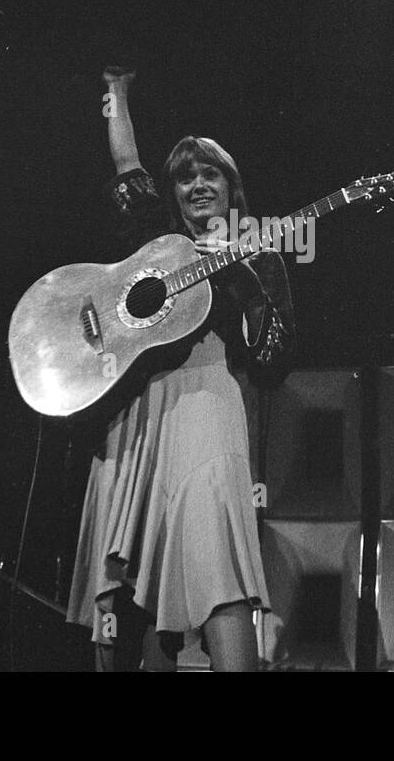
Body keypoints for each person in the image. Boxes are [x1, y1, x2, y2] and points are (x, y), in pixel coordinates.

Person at [65, 66, 294, 671]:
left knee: (220, 565)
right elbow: (128, 170)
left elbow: (273, 362)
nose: (198, 184)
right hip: (135, 411)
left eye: (210, 172)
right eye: (186, 176)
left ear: (232, 186)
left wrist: (246, 288)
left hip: (205, 406)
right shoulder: (158, 251)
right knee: (117, 588)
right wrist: (115, 90)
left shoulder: (259, 255)